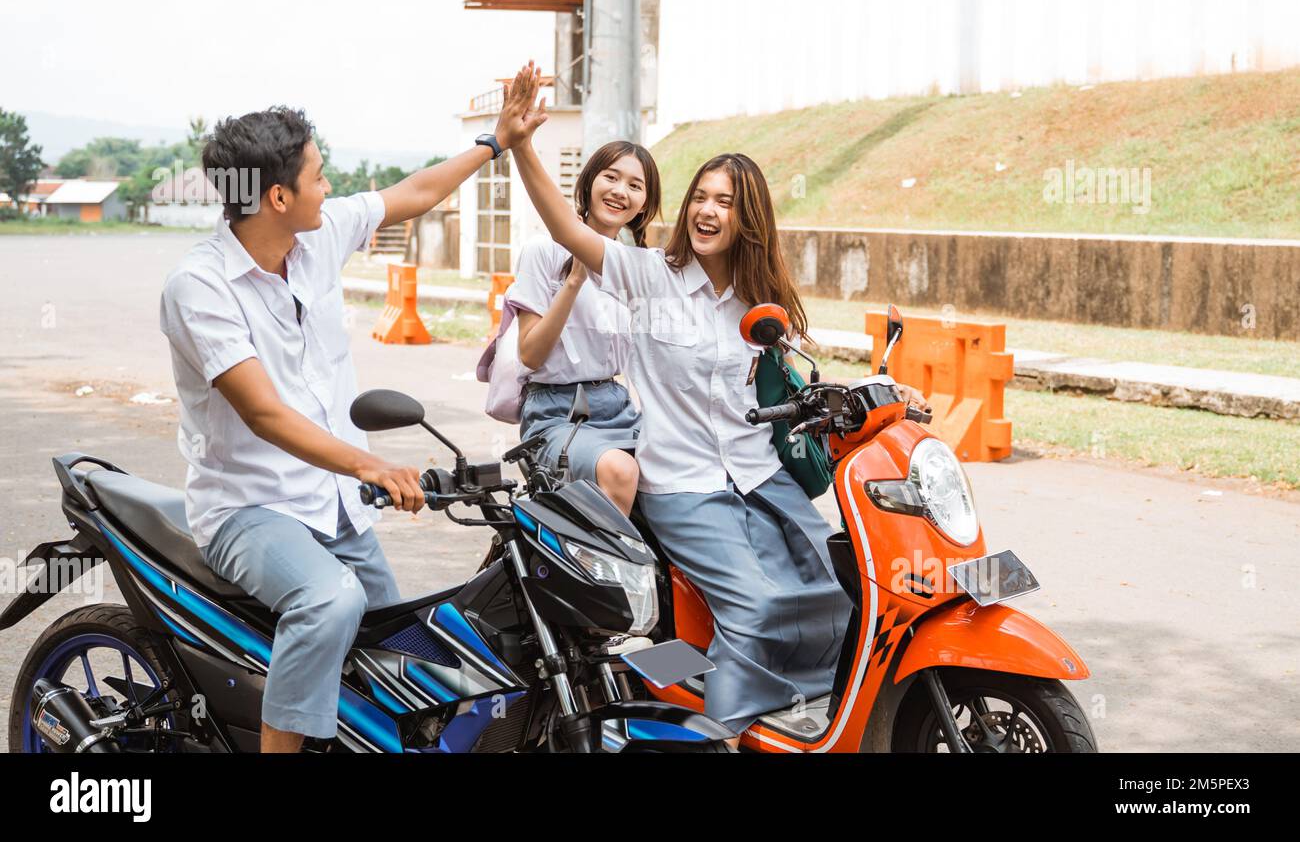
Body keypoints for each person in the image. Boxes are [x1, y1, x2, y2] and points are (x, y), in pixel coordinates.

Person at [502, 62, 918, 743]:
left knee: (851, 588)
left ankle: (827, 719)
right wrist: (520, 145)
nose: (706, 210)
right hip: (687, 483)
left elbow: (808, 376)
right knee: (756, 605)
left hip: (762, 475)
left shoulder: (762, 302)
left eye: (724, 201)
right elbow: (565, 229)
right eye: (701, 195)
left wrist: (893, 397)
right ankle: (721, 728)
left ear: (747, 217)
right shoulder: (651, 277)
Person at [158, 71, 536, 752]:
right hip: (249, 507)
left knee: (406, 648)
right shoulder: (200, 286)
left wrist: (495, 142)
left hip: (336, 503)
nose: (328, 187)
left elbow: (412, 194)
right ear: (277, 196)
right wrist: (372, 462)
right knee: (330, 603)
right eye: (318, 175)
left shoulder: (319, 235)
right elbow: (265, 415)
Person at [507, 140, 661, 515]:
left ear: (645, 203)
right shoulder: (543, 251)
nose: (620, 191)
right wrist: (573, 283)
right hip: (557, 412)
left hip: (619, 406)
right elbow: (530, 353)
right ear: (590, 181)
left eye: (635, 186)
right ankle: (614, 575)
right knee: (621, 471)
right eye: (611, 177)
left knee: (686, 466)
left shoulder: (642, 266)